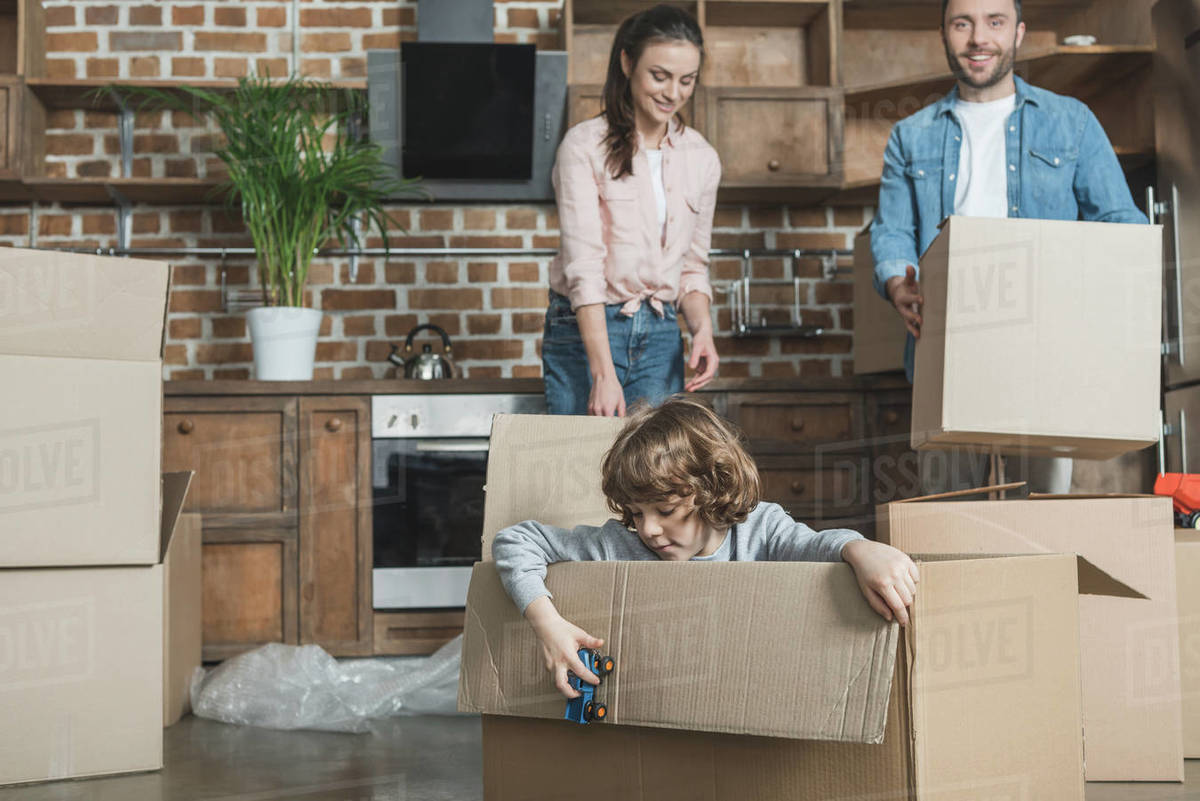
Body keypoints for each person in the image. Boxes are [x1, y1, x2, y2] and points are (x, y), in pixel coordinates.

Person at [869, 0, 1147, 494]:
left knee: (1041, 518)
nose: (979, 38)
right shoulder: (909, 136)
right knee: (949, 516)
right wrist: (897, 281)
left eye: (994, 22)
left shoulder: (1072, 122)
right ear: (944, 34)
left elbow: (1121, 222)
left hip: (1048, 344)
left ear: (1019, 33)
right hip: (945, 341)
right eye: (963, 23)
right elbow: (891, 231)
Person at [492, 397, 919, 699]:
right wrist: (547, 623)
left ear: (711, 490)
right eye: (637, 513)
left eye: (665, 509)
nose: (650, 530)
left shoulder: (760, 530)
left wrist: (860, 549)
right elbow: (515, 540)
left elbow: (813, 545)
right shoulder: (619, 544)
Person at [543, 4, 720, 417]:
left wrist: (703, 330)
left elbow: (693, 268)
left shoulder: (703, 158)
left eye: (686, 80)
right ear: (627, 62)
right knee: (580, 469)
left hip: (660, 333)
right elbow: (584, 266)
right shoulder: (583, 147)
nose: (673, 93)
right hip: (585, 328)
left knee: (655, 475)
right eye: (659, 76)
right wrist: (602, 374)